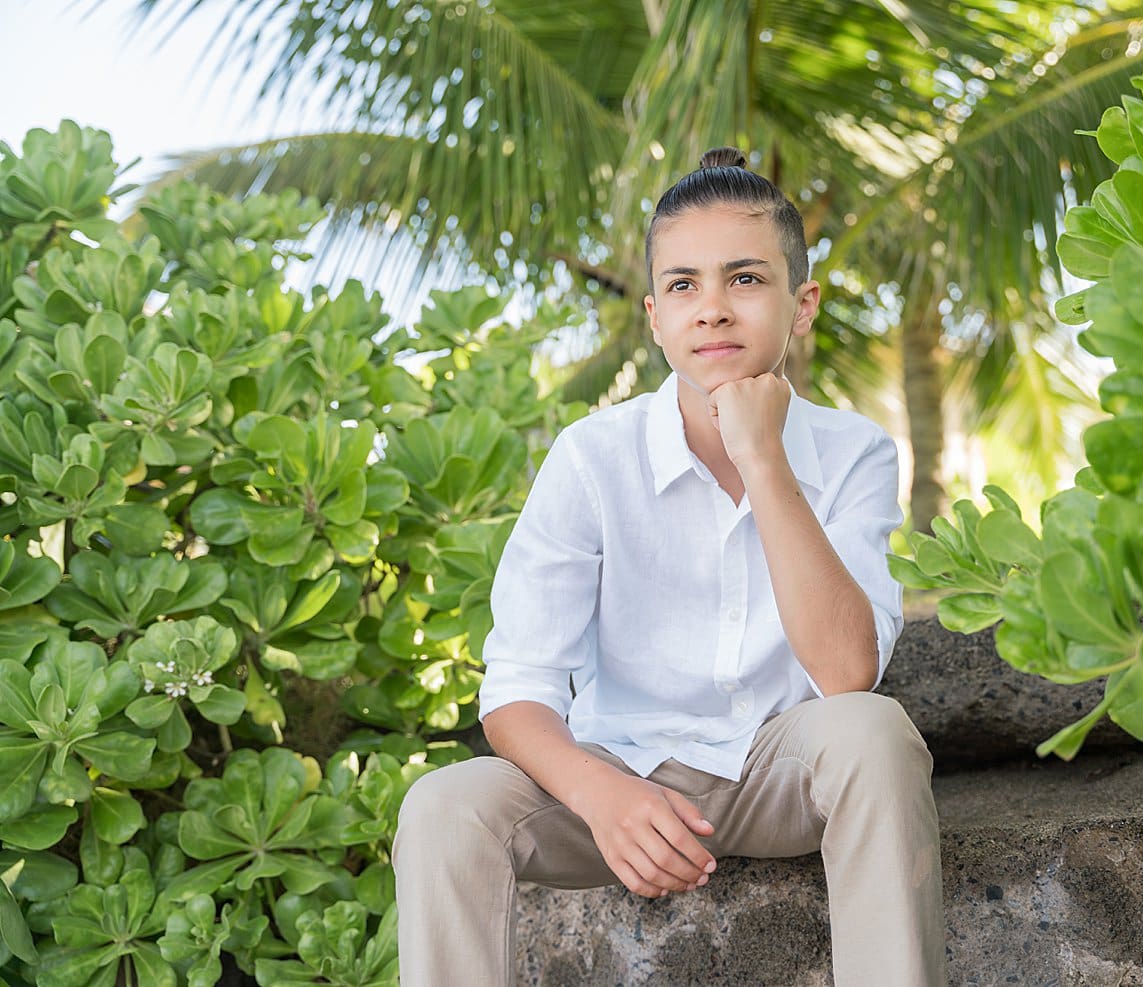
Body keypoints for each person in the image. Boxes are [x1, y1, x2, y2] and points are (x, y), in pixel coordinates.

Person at [393, 147, 946, 986]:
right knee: (443, 805)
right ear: (654, 317)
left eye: (746, 279)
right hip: (619, 777)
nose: (713, 309)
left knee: (875, 734)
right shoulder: (590, 458)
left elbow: (846, 671)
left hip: (779, 768)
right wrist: (600, 794)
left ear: (802, 306)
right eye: (684, 285)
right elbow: (517, 688)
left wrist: (763, 458)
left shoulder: (857, 451)